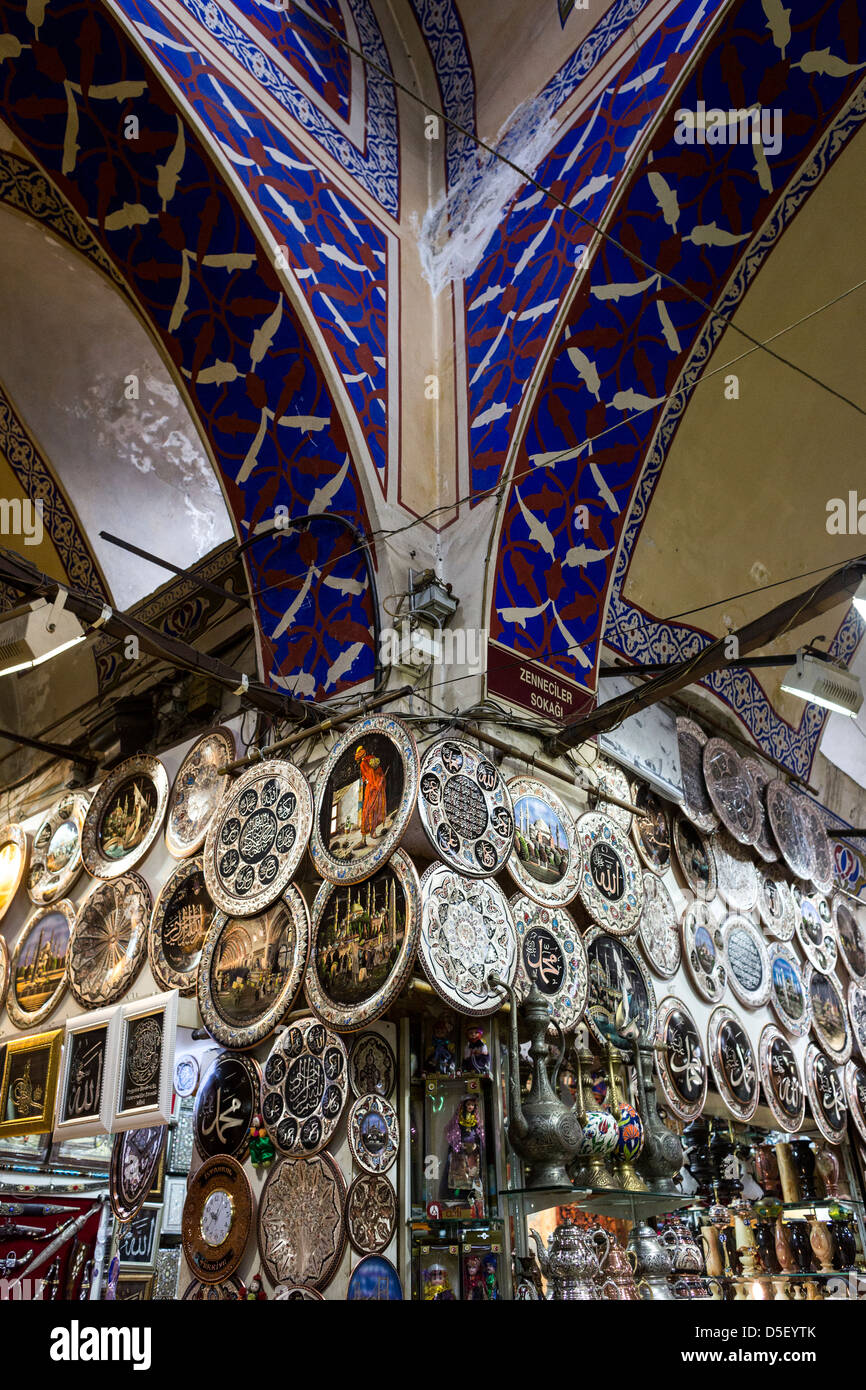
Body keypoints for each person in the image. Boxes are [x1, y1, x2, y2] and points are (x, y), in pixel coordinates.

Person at [355, 745, 387, 837]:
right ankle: (370, 831)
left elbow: (378, 771)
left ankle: (373, 830)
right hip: (372, 788)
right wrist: (369, 781)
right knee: (370, 808)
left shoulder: (371, 758)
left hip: (377, 785)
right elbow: (366, 776)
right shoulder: (363, 764)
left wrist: (380, 779)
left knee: (377, 807)